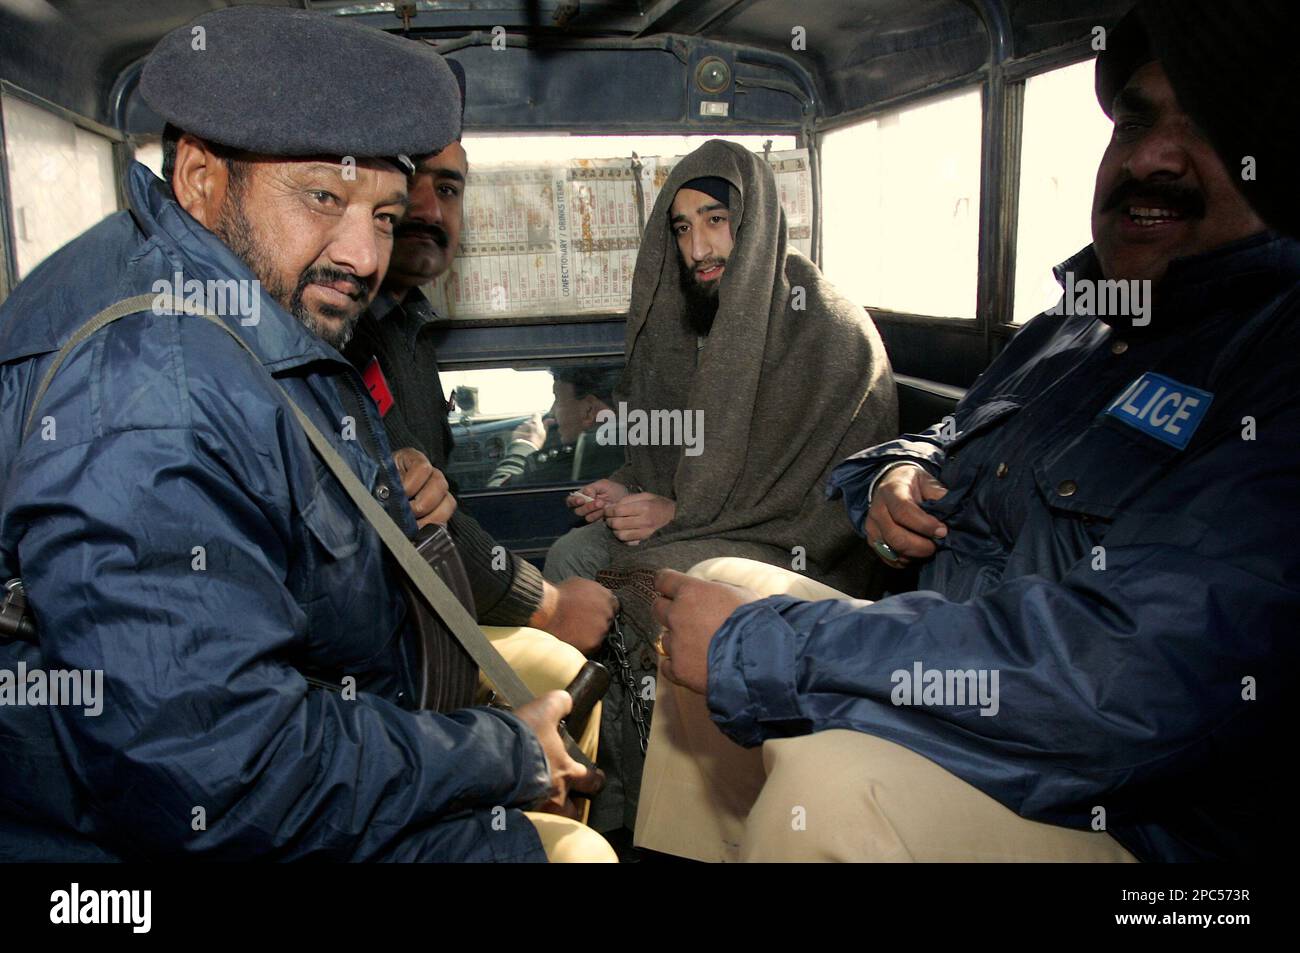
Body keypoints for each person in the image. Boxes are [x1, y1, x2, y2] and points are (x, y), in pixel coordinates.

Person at [636, 9, 1297, 862]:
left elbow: (1122, 677)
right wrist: (895, 474)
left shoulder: (1277, 363)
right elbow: (939, 438)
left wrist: (764, 649)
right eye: (1135, 120)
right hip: (962, 668)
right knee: (711, 583)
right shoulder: (1077, 325)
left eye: (1205, 123)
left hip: (1132, 805)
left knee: (837, 786)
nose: (1150, 157)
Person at [0, 7, 612, 862]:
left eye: (386, 216)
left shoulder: (244, 311)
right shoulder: (149, 391)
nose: (362, 256)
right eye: (324, 197)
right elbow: (220, 775)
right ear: (202, 178)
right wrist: (498, 752)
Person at [545, 140, 898, 833]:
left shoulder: (829, 333)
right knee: (570, 557)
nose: (698, 247)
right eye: (681, 228)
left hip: (795, 545)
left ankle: (663, 819)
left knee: (646, 578)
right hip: (706, 520)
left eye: (715, 220)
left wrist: (677, 512)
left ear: (756, 219)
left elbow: (821, 501)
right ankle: (605, 794)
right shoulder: (690, 317)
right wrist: (623, 485)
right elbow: (670, 450)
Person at [342, 67, 616, 657]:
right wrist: (549, 606)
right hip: (386, 627)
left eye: (448, 190)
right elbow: (415, 508)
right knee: (563, 669)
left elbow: (436, 502)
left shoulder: (404, 328)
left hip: (419, 598)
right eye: (409, 180)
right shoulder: (347, 331)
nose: (428, 211)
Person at [487, 364, 624, 488]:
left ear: (588, 410)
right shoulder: (637, 449)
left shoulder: (567, 467)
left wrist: (522, 447)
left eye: (558, 399)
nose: (552, 412)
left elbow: (494, 501)